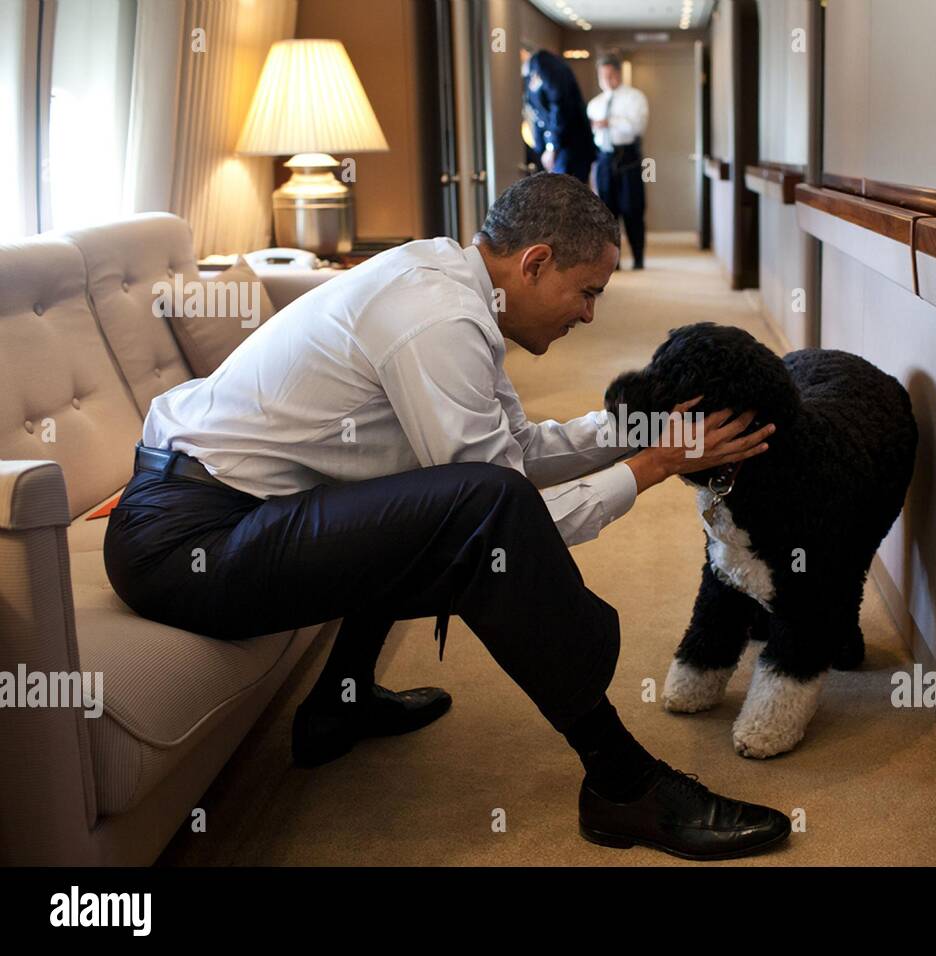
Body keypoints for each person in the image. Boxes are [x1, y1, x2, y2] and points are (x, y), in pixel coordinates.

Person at [102, 172, 788, 861]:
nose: (588, 316)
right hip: (187, 545)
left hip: (219, 511)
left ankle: (339, 703)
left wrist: (634, 429)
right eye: (587, 292)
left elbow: (512, 452)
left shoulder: (452, 283)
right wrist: (653, 468)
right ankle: (622, 782)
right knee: (476, 510)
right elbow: (504, 511)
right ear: (535, 262)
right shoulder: (439, 317)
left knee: (428, 484)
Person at [587, 52, 649, 269]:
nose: (606, 80)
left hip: (628, 158)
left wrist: (610, 122)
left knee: (633, 209)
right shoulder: (594, 104)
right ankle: (614, 261)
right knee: (607, 212)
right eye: (602, 76)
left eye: (610, 75)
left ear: (618, 73)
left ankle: (639, 257)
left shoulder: (635, 98)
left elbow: (637, 127)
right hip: (604, 158)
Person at [525, 49, 597, 184]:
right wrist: (541, 150)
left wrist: (552, 147)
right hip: (559, 149)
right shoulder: (531, 73)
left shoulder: (542, 62)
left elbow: (559, 104)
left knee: (566, 193)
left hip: (570, 147)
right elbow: (538, 116)